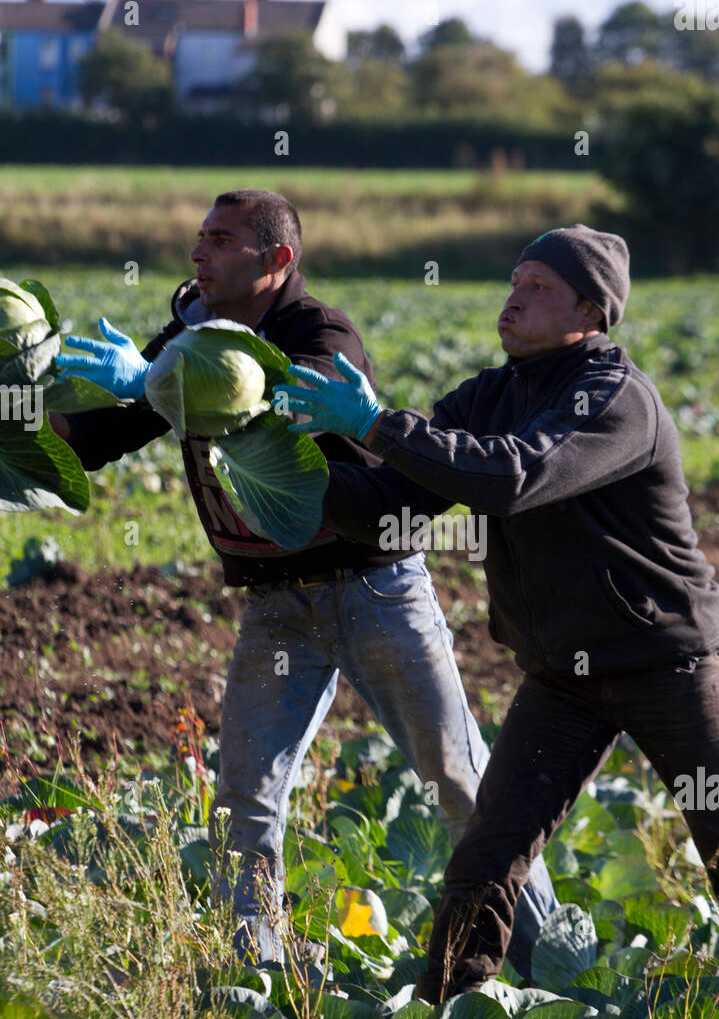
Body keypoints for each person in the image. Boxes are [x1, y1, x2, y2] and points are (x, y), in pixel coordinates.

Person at [277, 222, 719, 1003]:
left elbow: (515, 477)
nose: (514, 298)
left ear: (592, 311)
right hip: (563, 679)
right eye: (515, 280)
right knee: (485, 859)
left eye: (538, 287)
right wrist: (277, 465)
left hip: (666, 662)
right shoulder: (489, 396)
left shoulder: (615, 400)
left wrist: (376, 423)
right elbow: (396, 505)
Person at [48, 189, 557, 973]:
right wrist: (28, 420)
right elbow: (102, 434)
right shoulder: (195, 337)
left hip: (373, 588)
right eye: (199, 238)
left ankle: (546, 953)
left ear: (276, 259)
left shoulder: (321, 333)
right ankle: (254, 970)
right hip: (275, 605)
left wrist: (158, 375)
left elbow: (277, 405)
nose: (198, 254)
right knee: (246, 796)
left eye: (220, 241)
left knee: (456, 779)